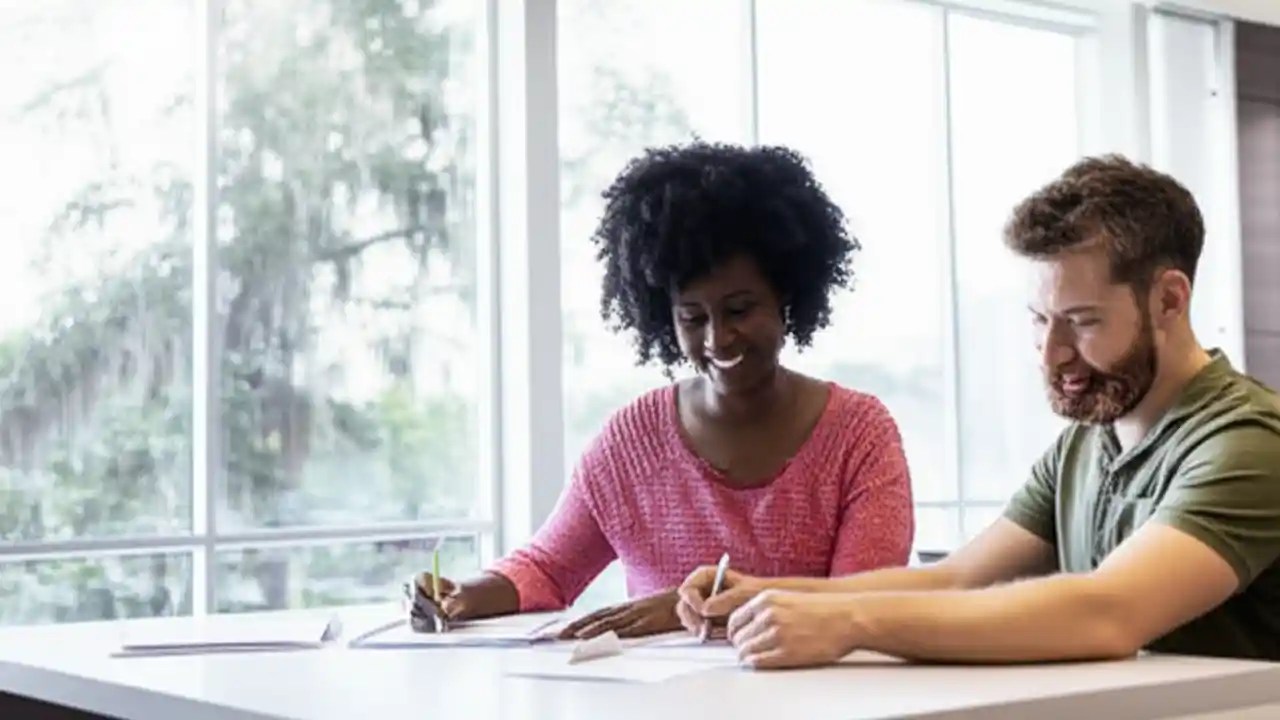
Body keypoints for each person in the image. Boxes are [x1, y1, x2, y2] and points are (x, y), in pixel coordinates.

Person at [676, 154, 1280, 668]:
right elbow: (955, 580)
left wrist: (851, 623)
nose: (1052, 354)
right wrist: (763, 593)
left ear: (1170, 299)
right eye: (1040, 320)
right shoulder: (1087, 443)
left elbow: (1109, 612)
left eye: (1082, 321)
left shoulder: (1247, 442)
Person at [414, 141, 915, 639]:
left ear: (787, 296)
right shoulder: (633, 440)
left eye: (740, 310)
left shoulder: (859, 435)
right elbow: (547, 568)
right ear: (662, 317)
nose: (718, 338)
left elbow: (866, 601)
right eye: (693, 318)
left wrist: (687, 609)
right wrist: (464, 595)